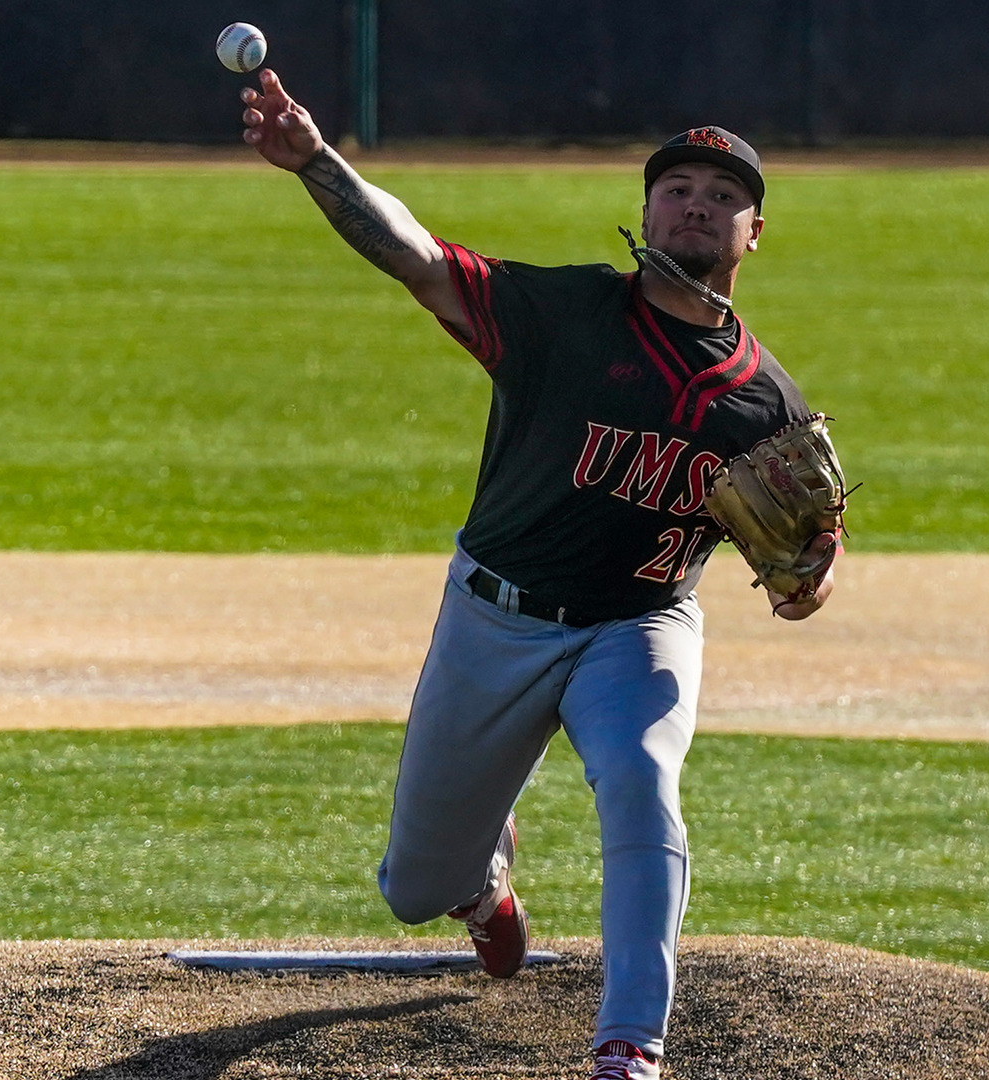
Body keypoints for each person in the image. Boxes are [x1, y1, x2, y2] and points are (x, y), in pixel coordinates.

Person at [238, 69, 840, 1080]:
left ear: (753, 233)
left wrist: (813, 578)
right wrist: (315, 161)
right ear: (648, 209)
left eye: (724, 195)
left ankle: (629, 1046)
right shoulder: (561, 313)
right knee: (413, 886)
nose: (699, 203)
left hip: (637, 627)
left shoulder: (767, 405)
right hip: (495, 617)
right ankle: (483, 886)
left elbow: (813, 546)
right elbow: (418, 257)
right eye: (680, 187)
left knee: (645, 782)